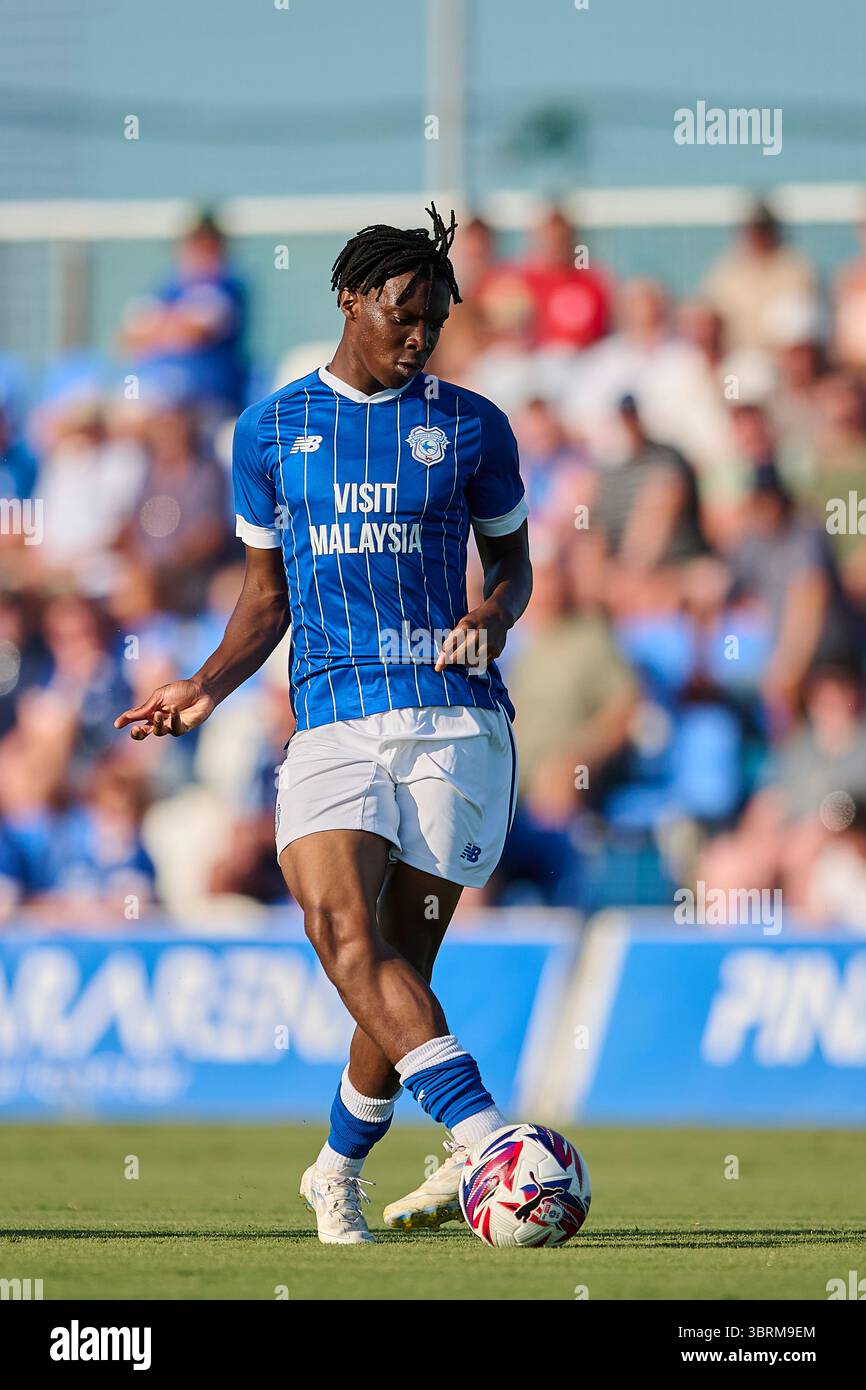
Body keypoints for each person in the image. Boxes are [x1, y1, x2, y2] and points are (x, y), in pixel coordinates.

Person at [114, 205, 532, 1245]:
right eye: (403, 311)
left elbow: (514, 566)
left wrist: (488, 616)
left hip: (450, 719)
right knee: (340, 932)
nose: (419, 334)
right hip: (332, 722)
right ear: (350, 297)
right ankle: (488, 1143)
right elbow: (265, 599)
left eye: (434, 319)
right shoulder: (268, 431)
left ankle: (334, 1169)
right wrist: (205, 686)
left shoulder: (472, 423)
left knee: (396, 972)